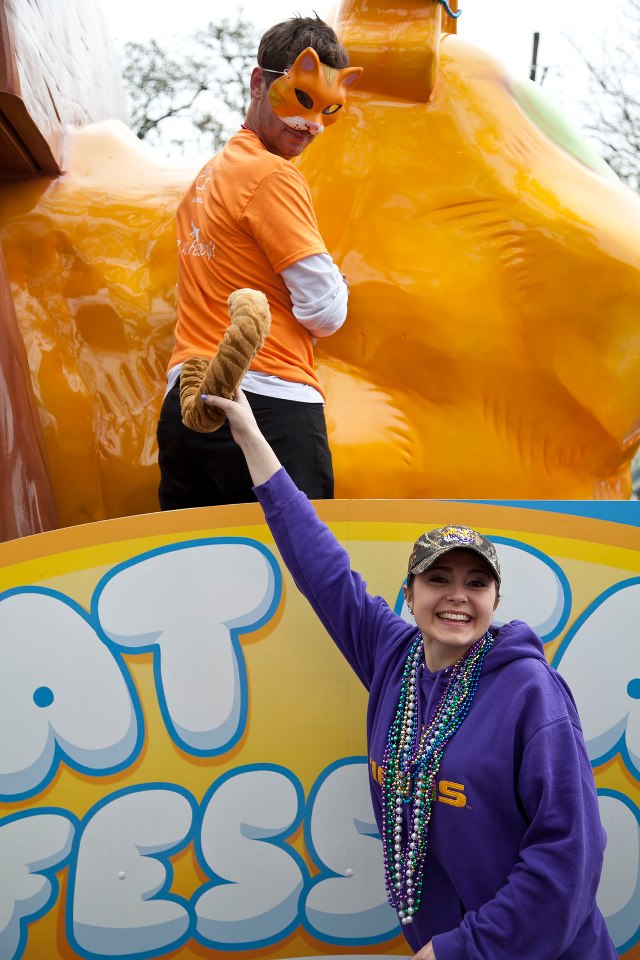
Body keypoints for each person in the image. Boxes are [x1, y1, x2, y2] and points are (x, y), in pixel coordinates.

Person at [198, 386, 618, 960]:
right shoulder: (394, 657)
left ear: (495, 601)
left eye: (476, 583)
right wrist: (249, 433)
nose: (457, 596)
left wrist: (461, 948)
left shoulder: (531, 692)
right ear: (410, 593)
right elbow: (319, 565)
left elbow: (569, 858)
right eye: (438, 579)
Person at [157, 15, 362, 510]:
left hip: (184, 409)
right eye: (301, 100)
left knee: (196, 559)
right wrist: (339, 285)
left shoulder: (204, 180)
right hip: (267, 406)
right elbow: (324, 311)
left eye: (328, 111)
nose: (312, 125)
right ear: (258, 82)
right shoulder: (273, 176)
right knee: (297, 557)